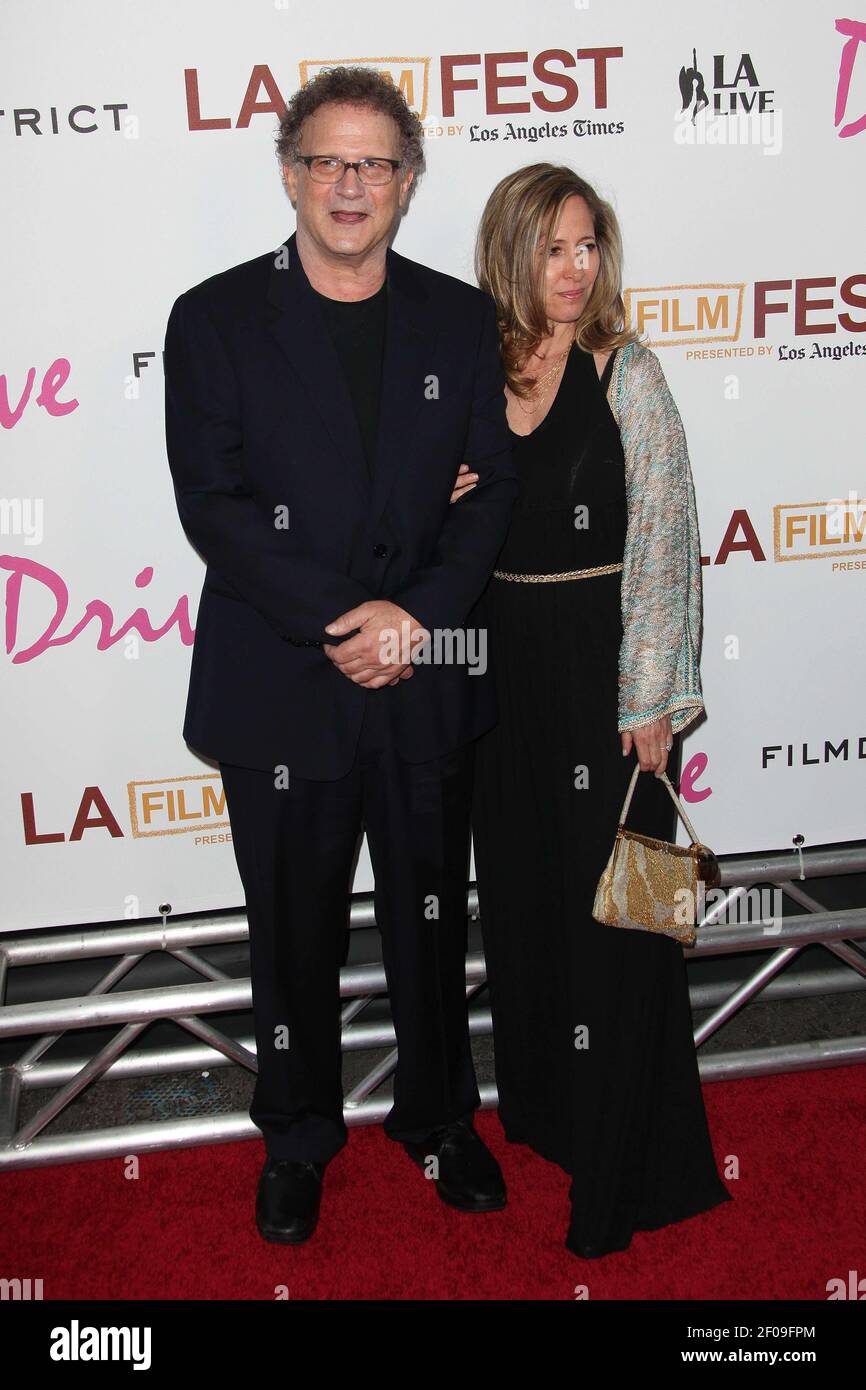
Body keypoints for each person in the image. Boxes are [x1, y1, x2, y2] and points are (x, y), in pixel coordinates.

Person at [163, 66, 518, 1244]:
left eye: (374, 163)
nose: (349, 184)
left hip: (424, 682)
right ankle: (298, 1133)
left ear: (409, 182)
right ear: (288, 173)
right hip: (281, 687)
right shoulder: (212, 318)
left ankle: (437, 1120)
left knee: (429, 921)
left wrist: (410, 618)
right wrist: (344, 622)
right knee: (291, 937)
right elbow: (214, 506)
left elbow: (488, 495)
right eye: (327, 160)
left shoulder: (460, 320)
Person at [455, 162, 732, 1258]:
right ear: (509, 253)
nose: (573, 270)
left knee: (624, 928)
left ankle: (631, 1169)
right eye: (551, 247)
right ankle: (557, 1124)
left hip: (608, 689)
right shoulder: (473, 372)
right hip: (502, 680)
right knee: (525, 913)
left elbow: (665, 545)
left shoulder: (629, 371)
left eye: (586, 247)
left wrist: (651, 696)